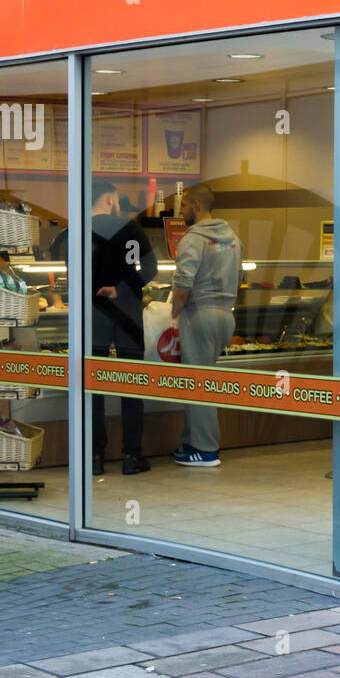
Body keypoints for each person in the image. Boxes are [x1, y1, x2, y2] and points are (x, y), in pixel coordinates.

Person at [170, 183, 242, 467]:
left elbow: (183, 283)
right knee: (200, 381)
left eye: (184, 207)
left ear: (196, 206)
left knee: (199, 385)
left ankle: (205, 450)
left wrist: (173, 312)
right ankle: (191, 442)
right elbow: (238, 277)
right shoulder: (234, 238)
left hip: (200, 314)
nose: (182, 213)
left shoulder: (193, 238)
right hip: (226, 316)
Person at [90, 179, 158, 475]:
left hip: (93, 316)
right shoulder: (130, 228)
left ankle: (94, 457)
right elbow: (151, 268)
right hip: (128, 314)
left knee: (93, 388)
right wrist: (122, 288)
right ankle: (132, 456)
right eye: (116, 198)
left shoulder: (80, 230)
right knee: (131, 385)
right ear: (108, 199)